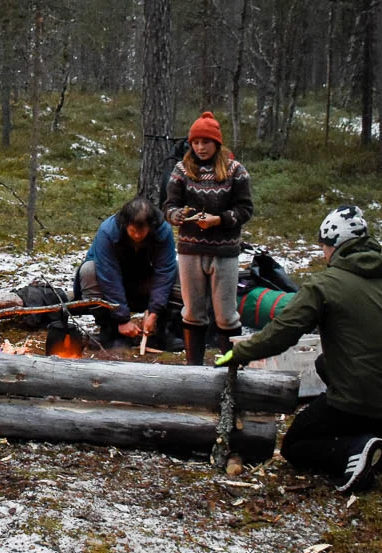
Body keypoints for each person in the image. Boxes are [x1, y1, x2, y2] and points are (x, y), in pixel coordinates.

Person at [217, 205, 382, 494]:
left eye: (323, 247)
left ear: (334, 246)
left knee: (295, 445)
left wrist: (240, 353)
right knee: (326, 364)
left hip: (358, 404)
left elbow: (283, 333)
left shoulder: (325, 285)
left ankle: (353, 451)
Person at [163, 111, 253, 365]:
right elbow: (168, 205)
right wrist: (176, 215)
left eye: (206, 142)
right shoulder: (181, 170)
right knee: (192, 312)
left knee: (226, 315)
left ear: (217, 143)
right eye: (196, 142)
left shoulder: (236, 171)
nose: (200, 148)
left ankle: (231, 368)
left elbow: (245, 209)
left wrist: (220, 219)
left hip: (224, 252)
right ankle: (194, 370)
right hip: (190, 250)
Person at [73, 196, 178, 349]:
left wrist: (155, 311)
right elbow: (108, 276)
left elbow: (165, 271)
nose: (137, 236)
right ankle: (111, 330)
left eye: (142, 231)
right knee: (89, 270)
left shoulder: (163, 232)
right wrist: (122, 319)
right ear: (125, 224)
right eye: (133, 231)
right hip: (111, 288)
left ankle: (166, 329)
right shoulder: (108, 231)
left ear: (151, 226)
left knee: (178, 269)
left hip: (144, 284)